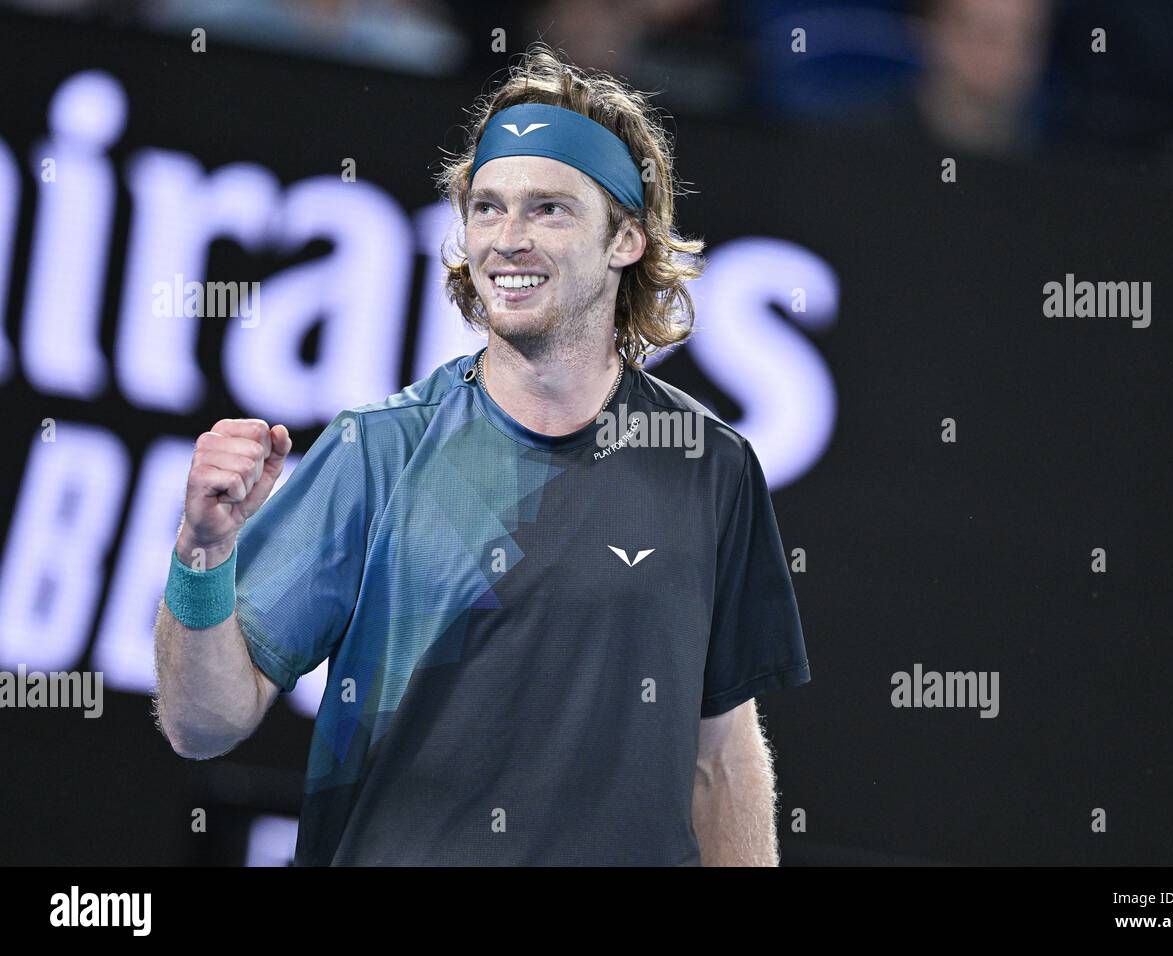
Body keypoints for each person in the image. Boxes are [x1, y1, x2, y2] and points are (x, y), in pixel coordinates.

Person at [152, 43, 811, 866]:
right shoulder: (378, 450)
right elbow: (201, 724)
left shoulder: (711, 468)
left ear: (627, 240)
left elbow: (720, 757)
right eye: (488, 207)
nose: (507, 239)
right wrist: (202, 557)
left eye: (550, 210)